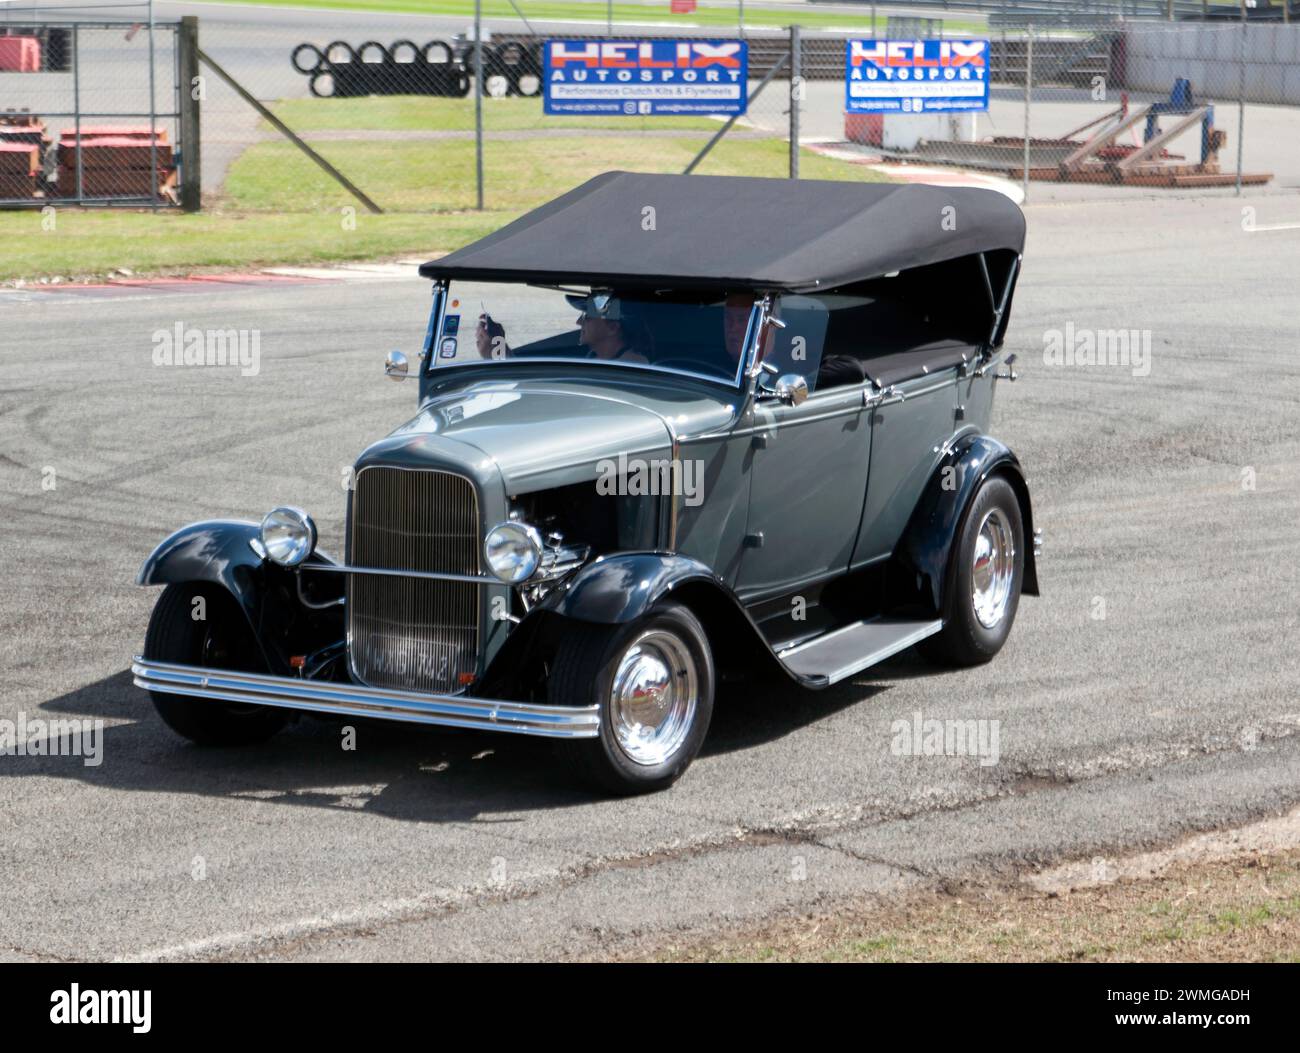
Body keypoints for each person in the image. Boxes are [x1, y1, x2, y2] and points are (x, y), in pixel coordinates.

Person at [475, 292, 648, 364]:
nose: (578, 323)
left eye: (587, 317)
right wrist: (499, 351)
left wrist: (499, 355)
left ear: (612, 328)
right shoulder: (595, 358)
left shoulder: (633, 364)